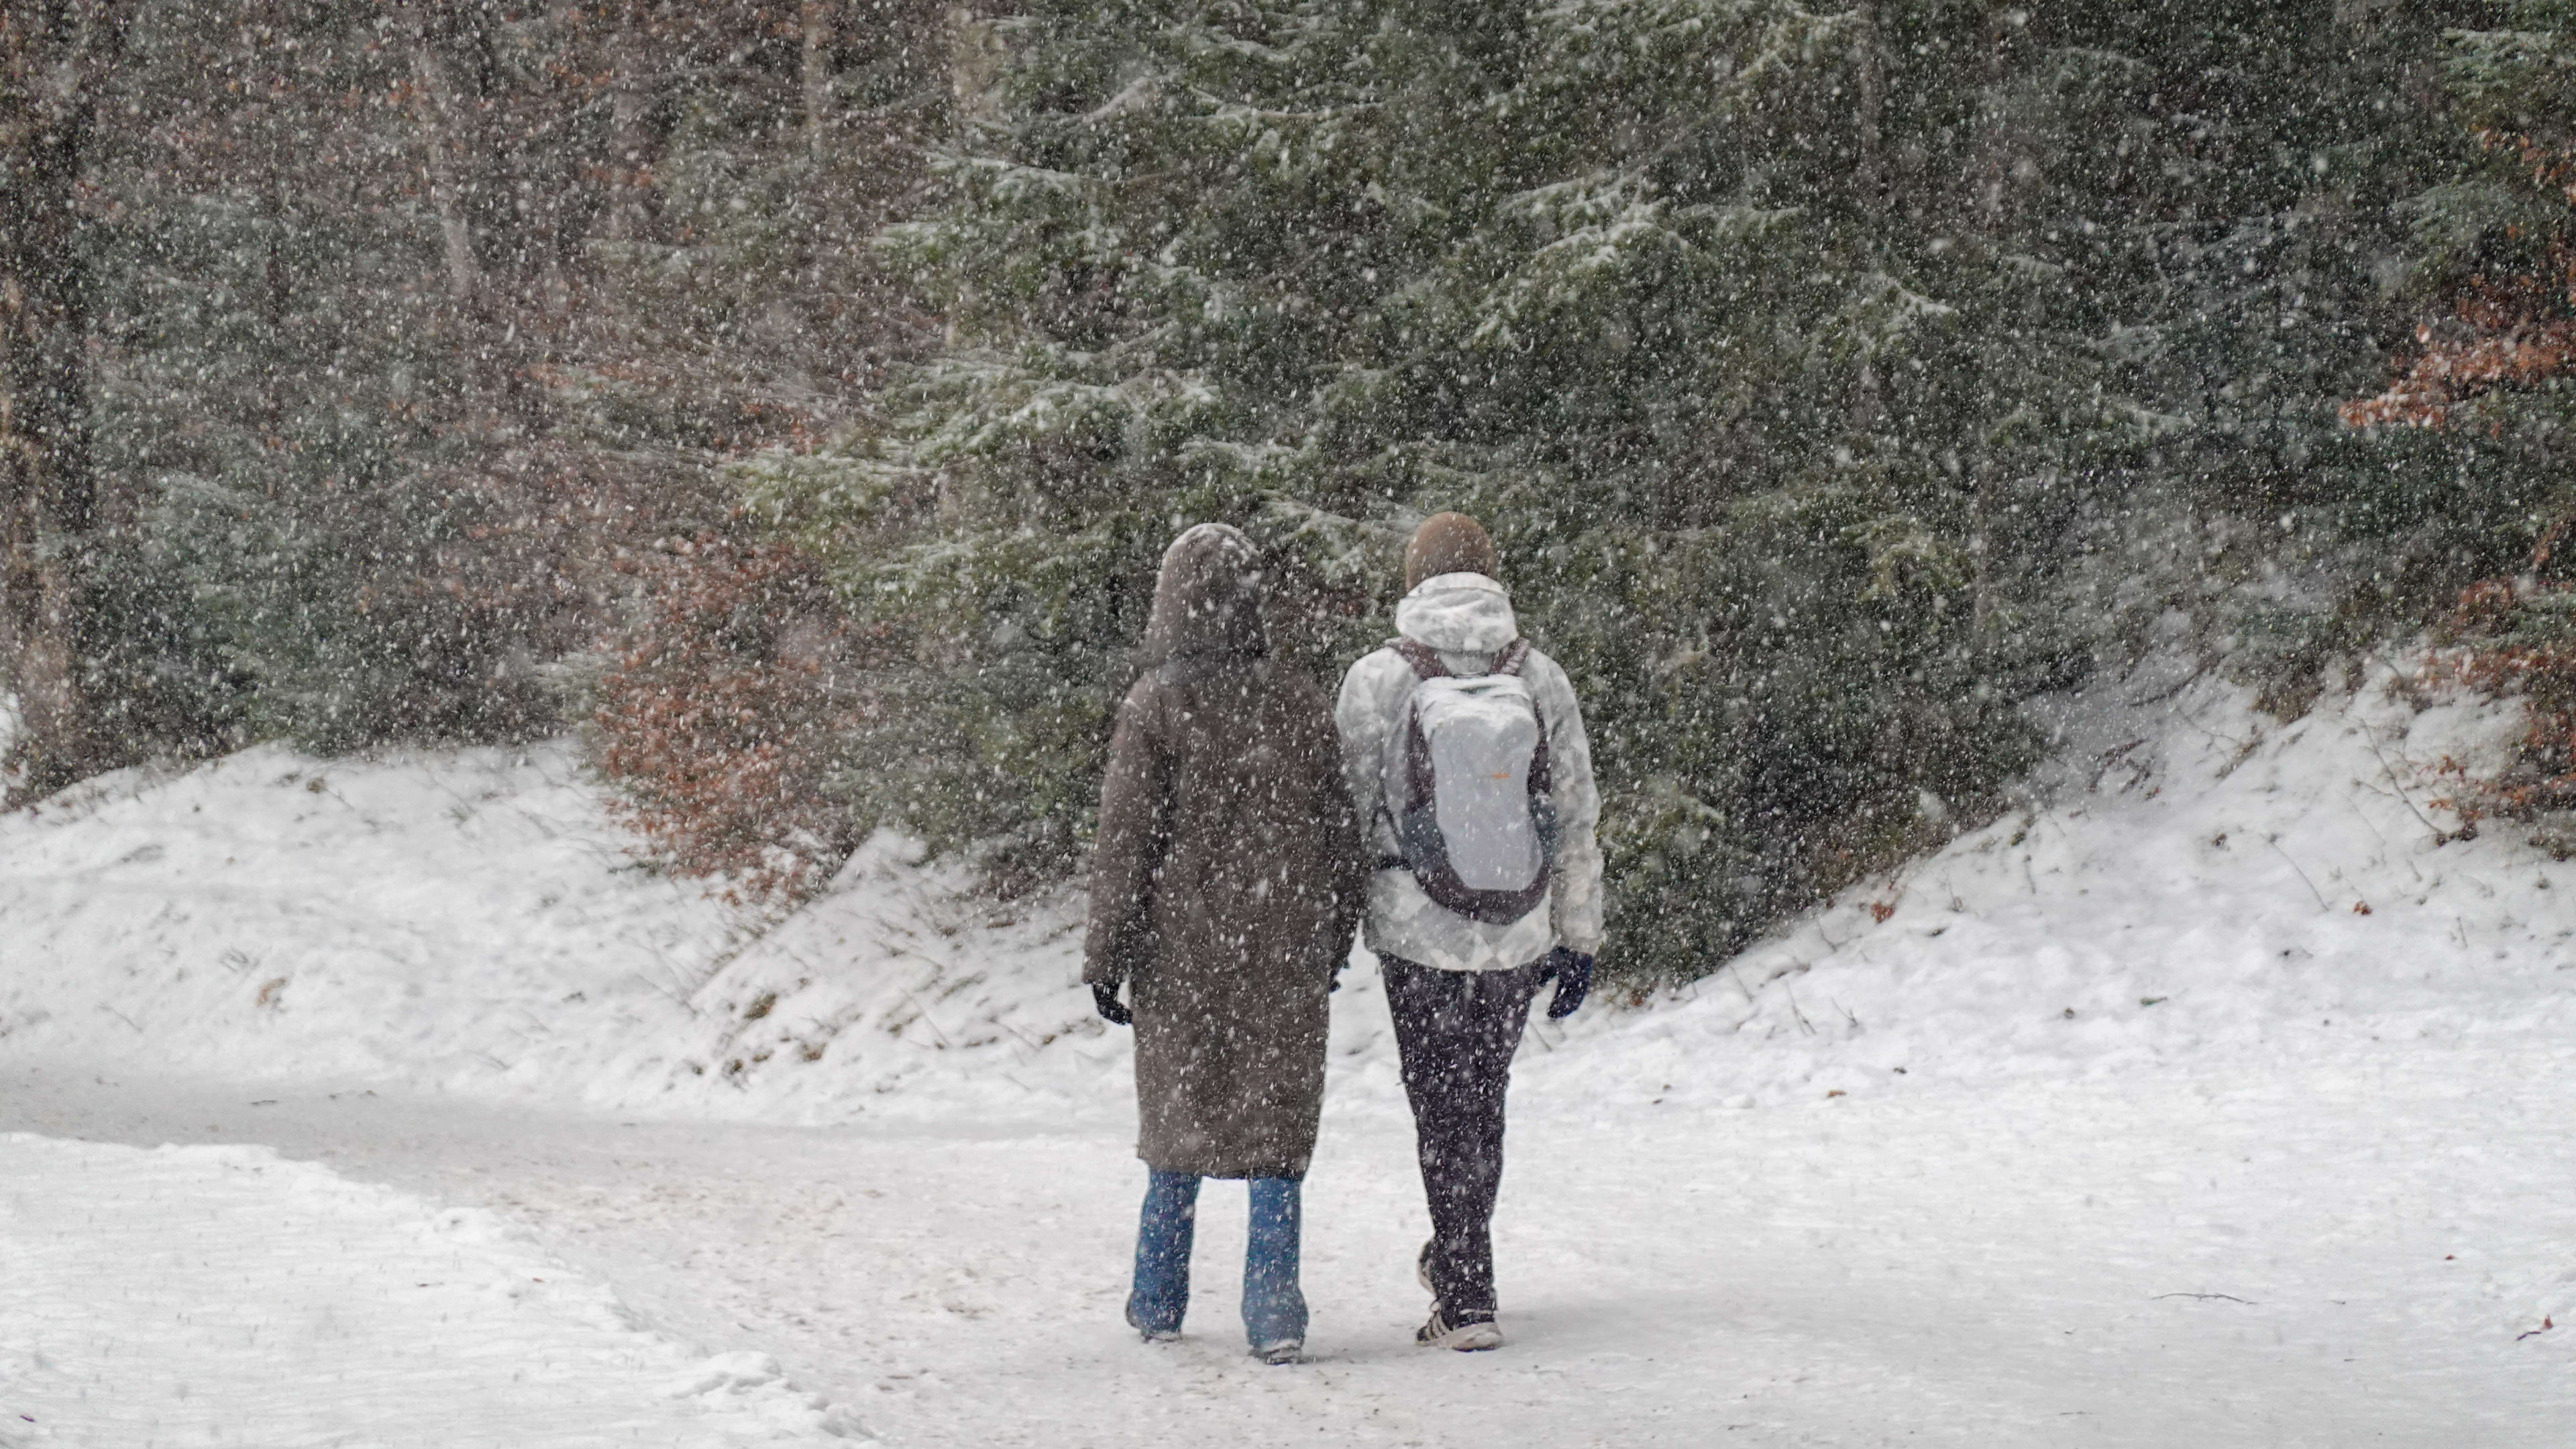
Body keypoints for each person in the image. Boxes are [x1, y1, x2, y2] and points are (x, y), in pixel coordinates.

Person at [1083, 523, 1369, 1364]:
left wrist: (1108, 957)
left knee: (1180, 1120)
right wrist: (1332, 935)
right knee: (1276, 1125)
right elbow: (1338, 835)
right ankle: (1274, 1308)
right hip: (1284, 944)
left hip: (1181, 948)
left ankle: (1158, 1295)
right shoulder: (1299, 702)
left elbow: (1125, 840)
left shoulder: (1155, 705)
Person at [1335, 511, 1604, 1352]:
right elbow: (1576, 814)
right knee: (1482, 1102)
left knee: (1437, 1103)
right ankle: (1462, 1266)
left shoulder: (1379, 678)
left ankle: (1467, 1290)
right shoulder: (1542, 676)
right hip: (1516, 927)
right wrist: (1579, 934)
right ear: (1491, 574)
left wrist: (1333, 933)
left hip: (1415, 931)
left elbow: (1343, 816)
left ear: (1415, 580)